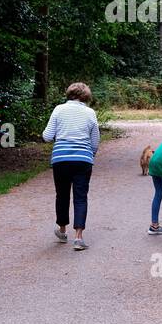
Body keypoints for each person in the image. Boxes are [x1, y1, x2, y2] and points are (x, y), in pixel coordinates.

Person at [42, 82, 100, 251]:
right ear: (86, 96)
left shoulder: (58, 110)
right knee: (81, 196)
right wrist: (90, 154)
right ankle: (79, 237)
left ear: (69, 94)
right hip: (83, 159)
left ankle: (61, 230)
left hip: (60, 159)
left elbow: (47, 136)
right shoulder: (90, 113)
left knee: (62, 194)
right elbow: (95, 141)